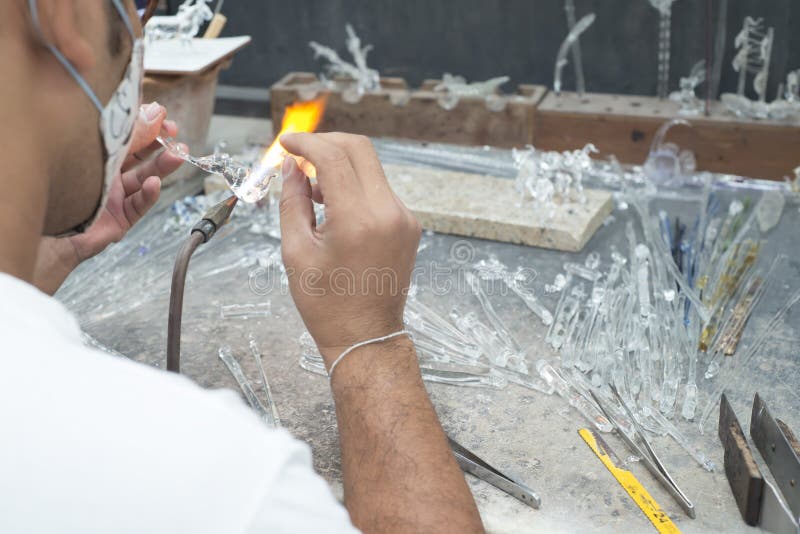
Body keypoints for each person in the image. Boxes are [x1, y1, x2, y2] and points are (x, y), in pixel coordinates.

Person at [0, 1, 484, 533]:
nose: (141, 29)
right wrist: (370, 343)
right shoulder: (212, 483)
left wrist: (30, 267)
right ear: (64, 13)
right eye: (143, 8)